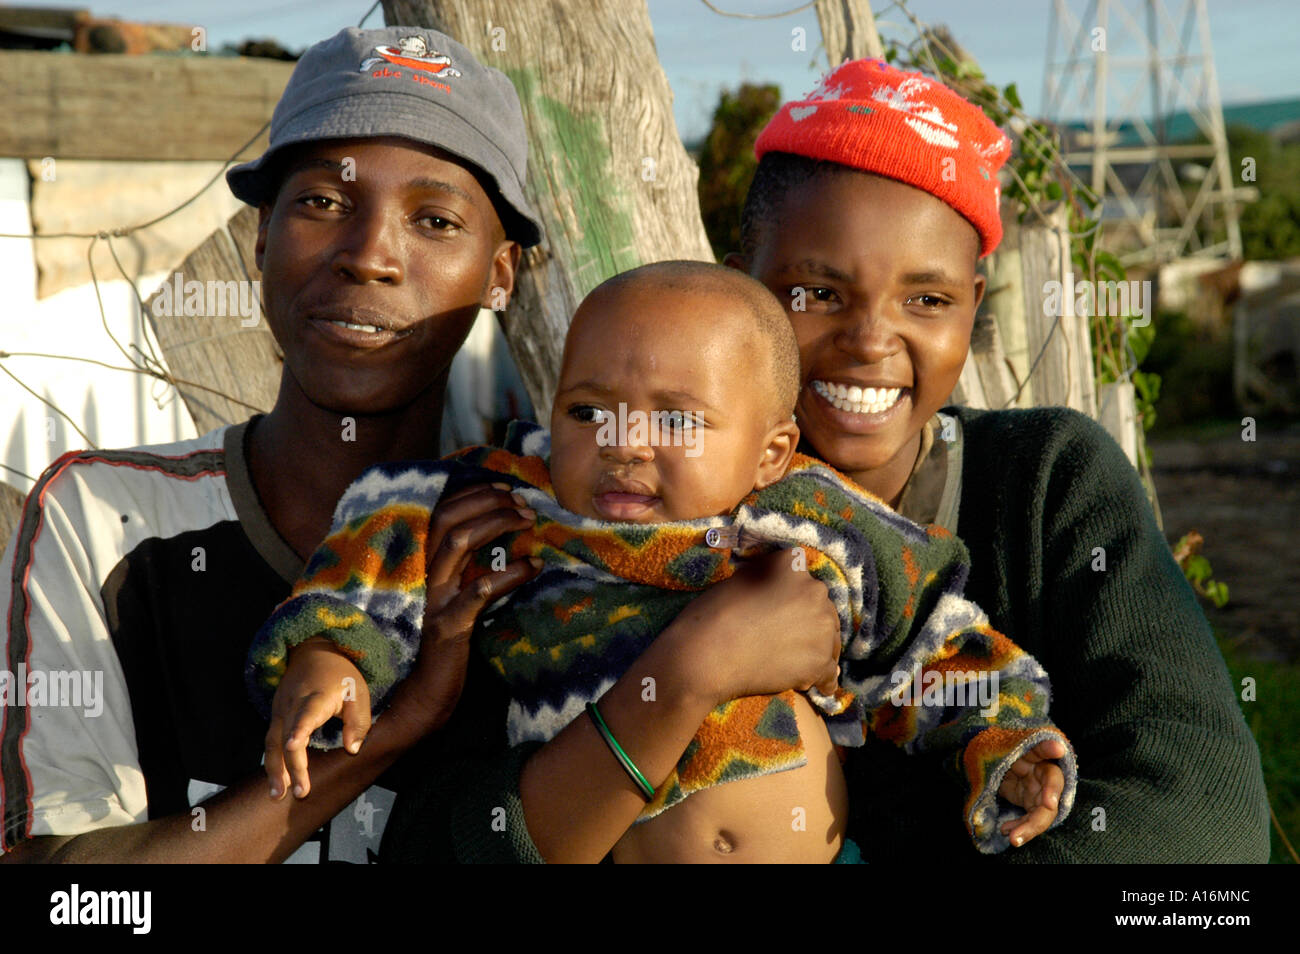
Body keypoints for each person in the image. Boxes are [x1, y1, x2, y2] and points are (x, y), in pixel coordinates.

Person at [378, 60, 1269, 864]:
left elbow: (1205, 821)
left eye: (927, 297)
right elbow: (441, 839)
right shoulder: (584, 510)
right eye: (817, 293)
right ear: (742, 290)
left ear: (973, 309)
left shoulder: (1046, 485)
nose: (871, 342)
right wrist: (692, 669)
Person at [247, 260, 1076, 863]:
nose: (622, 445)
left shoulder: (810, 525)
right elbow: (386, 519)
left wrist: (1003, 740)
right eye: (587, 410)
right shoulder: (523, 504)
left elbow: (927, 637)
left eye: (677, 421)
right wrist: (332, 654)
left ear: (770, 451)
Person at [0, 25, 545, 863]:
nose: (370, 257)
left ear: (500, 274)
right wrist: (393, 730)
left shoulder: (535, 546)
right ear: (260, 237)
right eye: (323, 203)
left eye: (434, 220)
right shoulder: (107, 522)